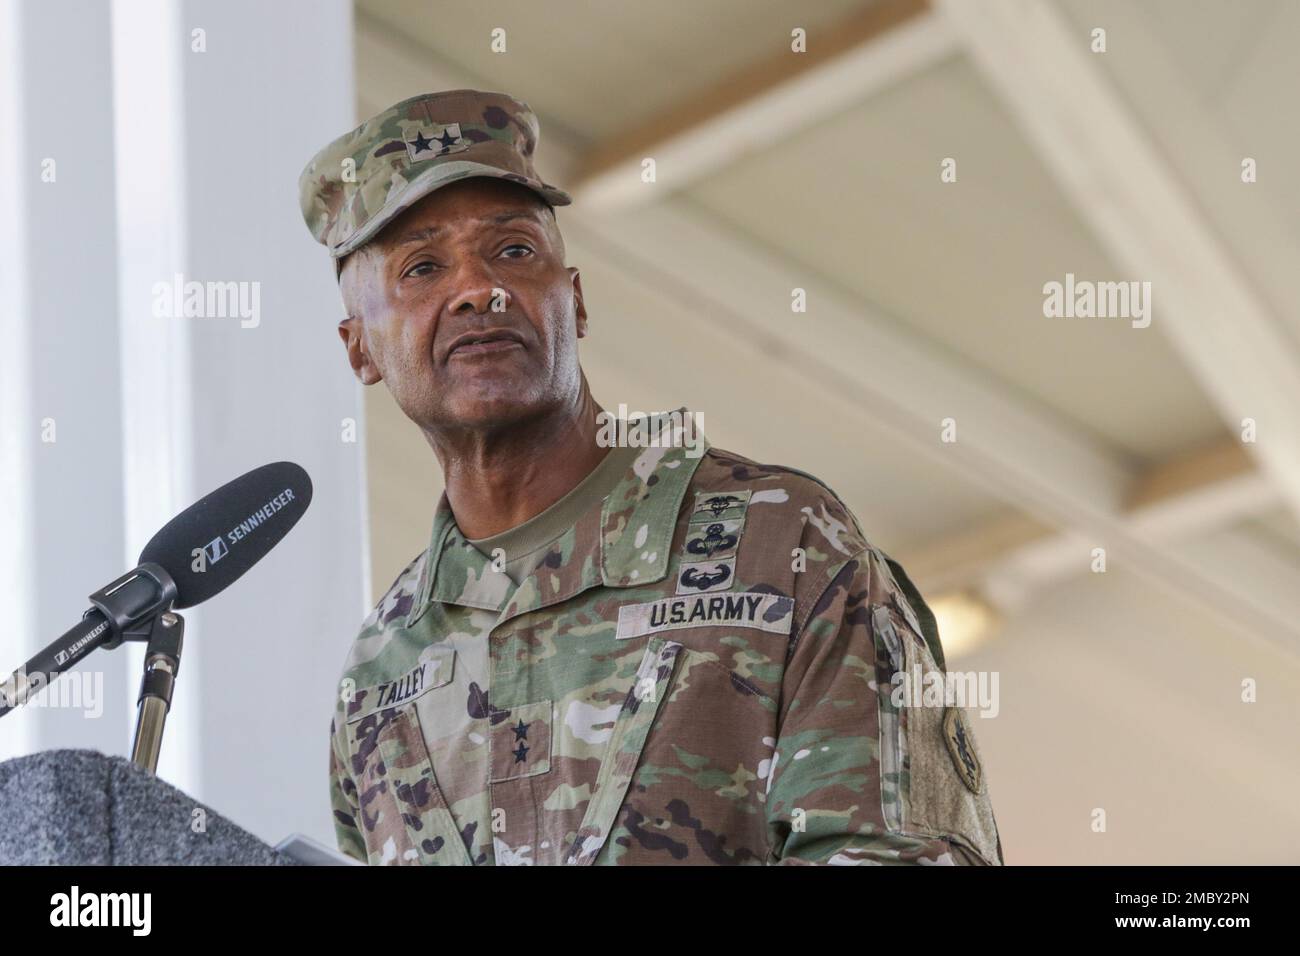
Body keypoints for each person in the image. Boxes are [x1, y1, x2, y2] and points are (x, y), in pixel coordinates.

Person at [299, 89, 1004, 865]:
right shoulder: (382, 667)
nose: (479, 290)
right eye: (423, 267)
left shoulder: (782, 543)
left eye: (514, 251)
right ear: (360, 349)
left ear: (575, 301)